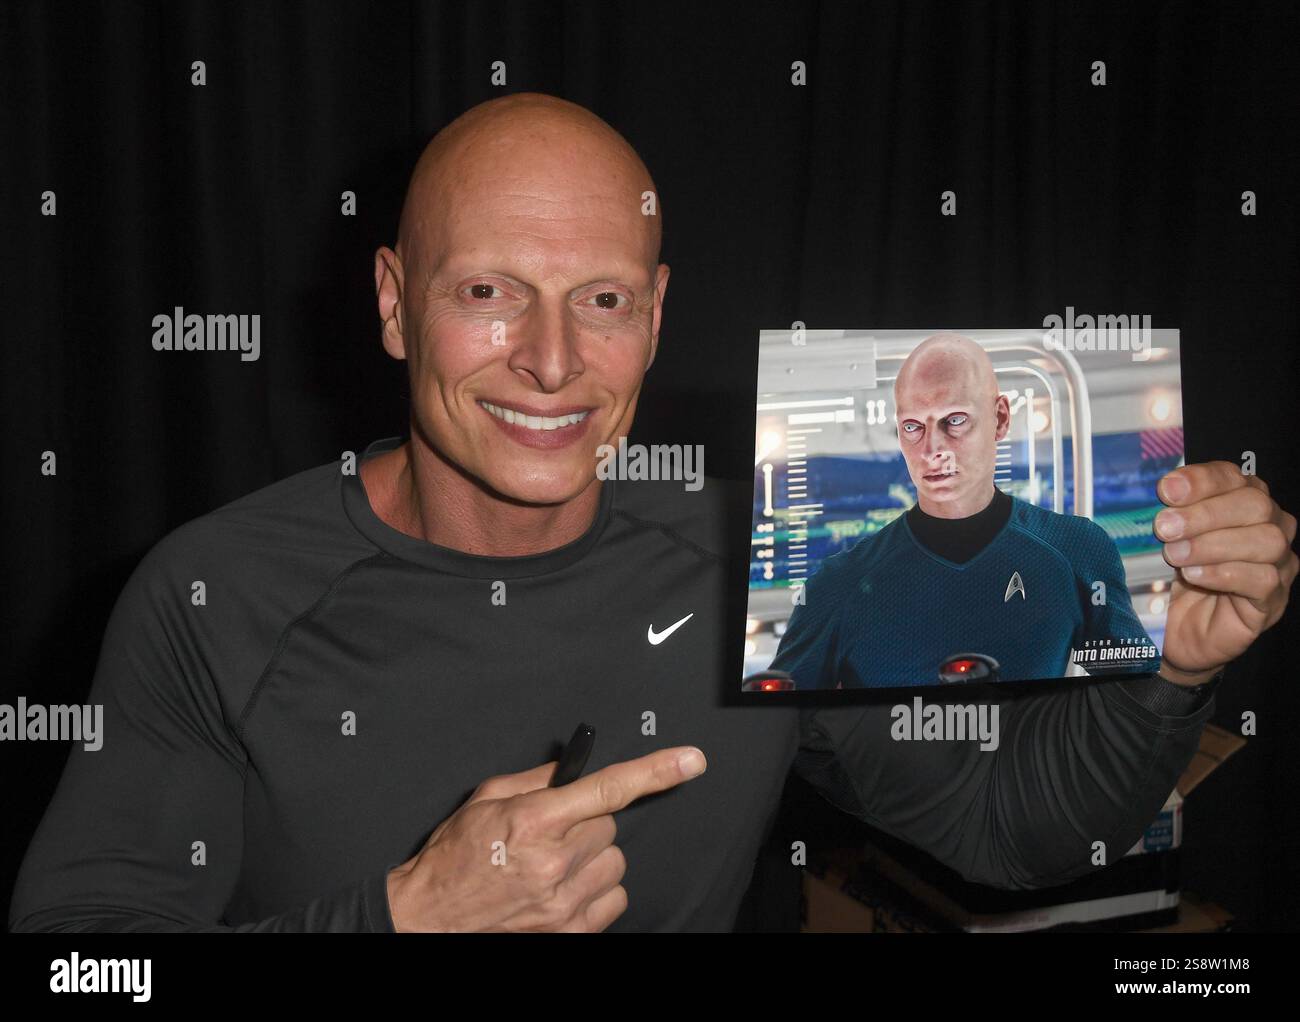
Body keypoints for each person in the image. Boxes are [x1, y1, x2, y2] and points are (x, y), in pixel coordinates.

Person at [9, 94, 1297, 933]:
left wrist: (1170, 671)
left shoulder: (760, 561)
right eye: (490, 293)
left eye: (604, 302)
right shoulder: (213, 592)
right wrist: (401, 916)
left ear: (658, 312)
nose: (554, 362)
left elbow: (1012, 831)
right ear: (395, 303)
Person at [772, 333, 1161, 689]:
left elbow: (1140, 707)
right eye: (913, 427)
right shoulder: (839, 583)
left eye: (954, 420)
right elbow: (782, 734)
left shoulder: (1075, 549)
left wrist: (1191, 673)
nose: (932, 450)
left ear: (1001, 418)